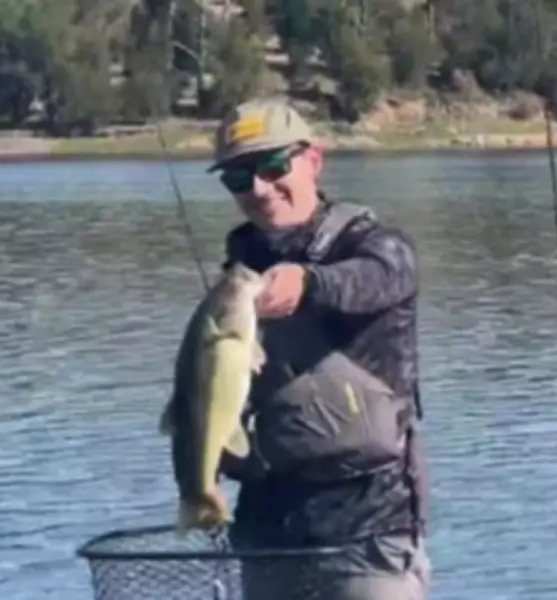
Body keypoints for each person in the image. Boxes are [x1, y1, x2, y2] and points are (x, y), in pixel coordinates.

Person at [211, 97, 430, 600]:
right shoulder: (239, 269)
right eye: (239, 179)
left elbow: (385, 278)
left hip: (371, 530)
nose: (260, 189)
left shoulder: (375, 245)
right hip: (269, 529)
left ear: (313, 160)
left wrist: (309, 283)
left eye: (271, 166)